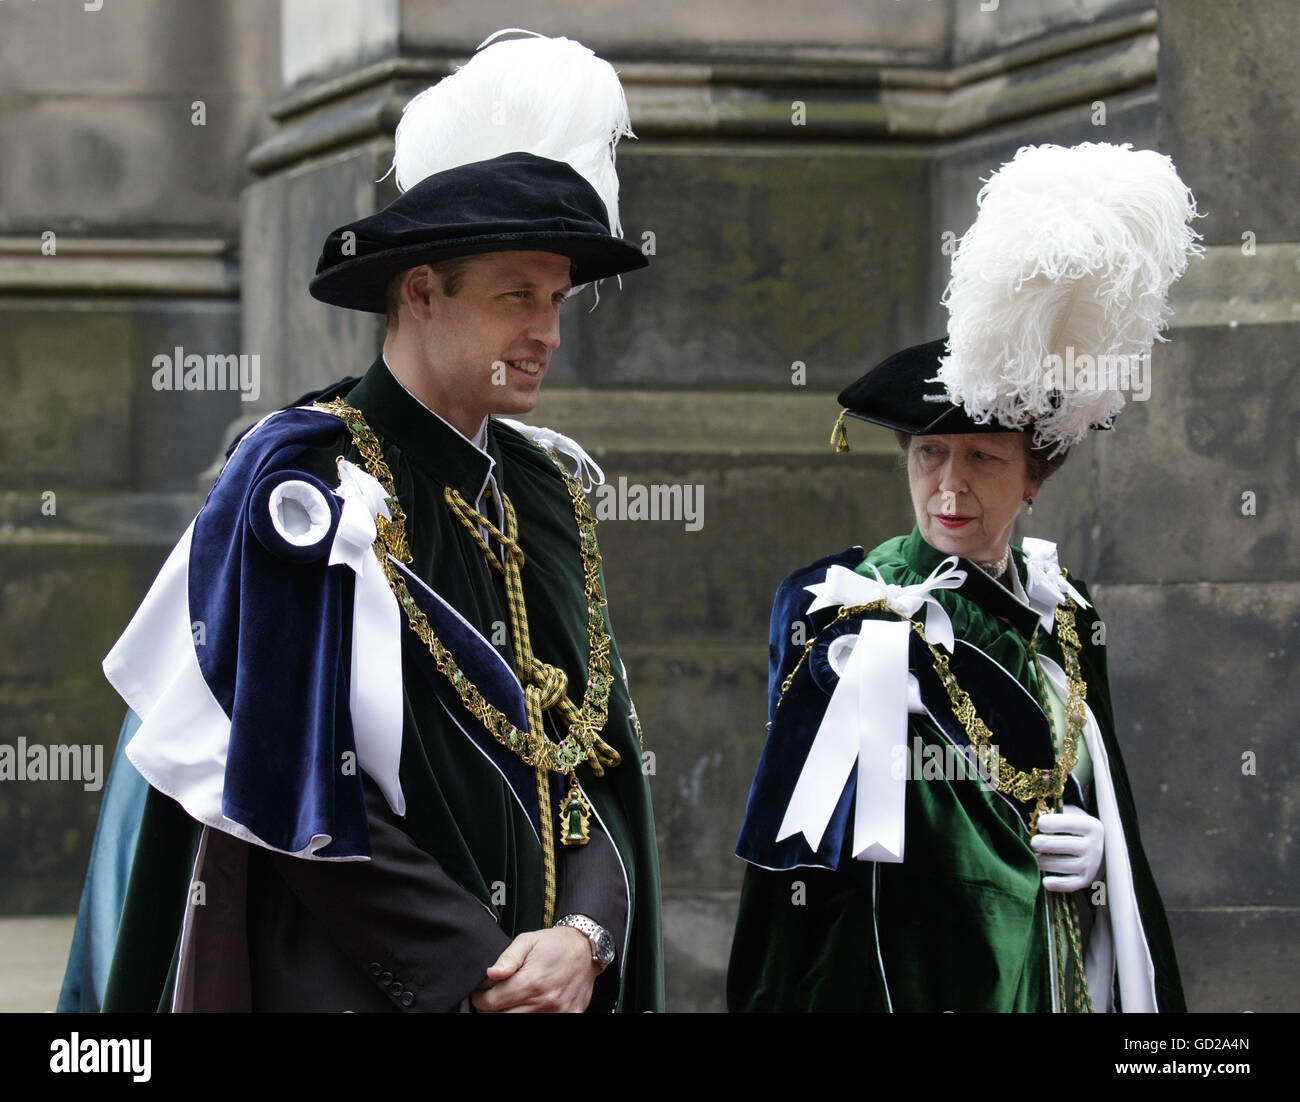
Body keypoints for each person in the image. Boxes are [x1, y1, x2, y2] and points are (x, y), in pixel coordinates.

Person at [73, 30, 663, 1014]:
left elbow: (591, 753)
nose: (549, 334)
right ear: (421, 292)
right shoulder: (299, 482)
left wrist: (583, 937)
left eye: (557, 300)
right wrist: (480, 970)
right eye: (518, 296)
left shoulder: (547, 490)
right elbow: (295, 790)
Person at [727, 142, 1198, 1012]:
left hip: (1061, 969)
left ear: (1033, 477)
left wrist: (1107, 856)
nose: (949, 486)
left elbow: (1095, 775)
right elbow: (804, 877)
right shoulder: (840, 604)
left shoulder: (1069, 610)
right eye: (930, 454)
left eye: (982, 458)